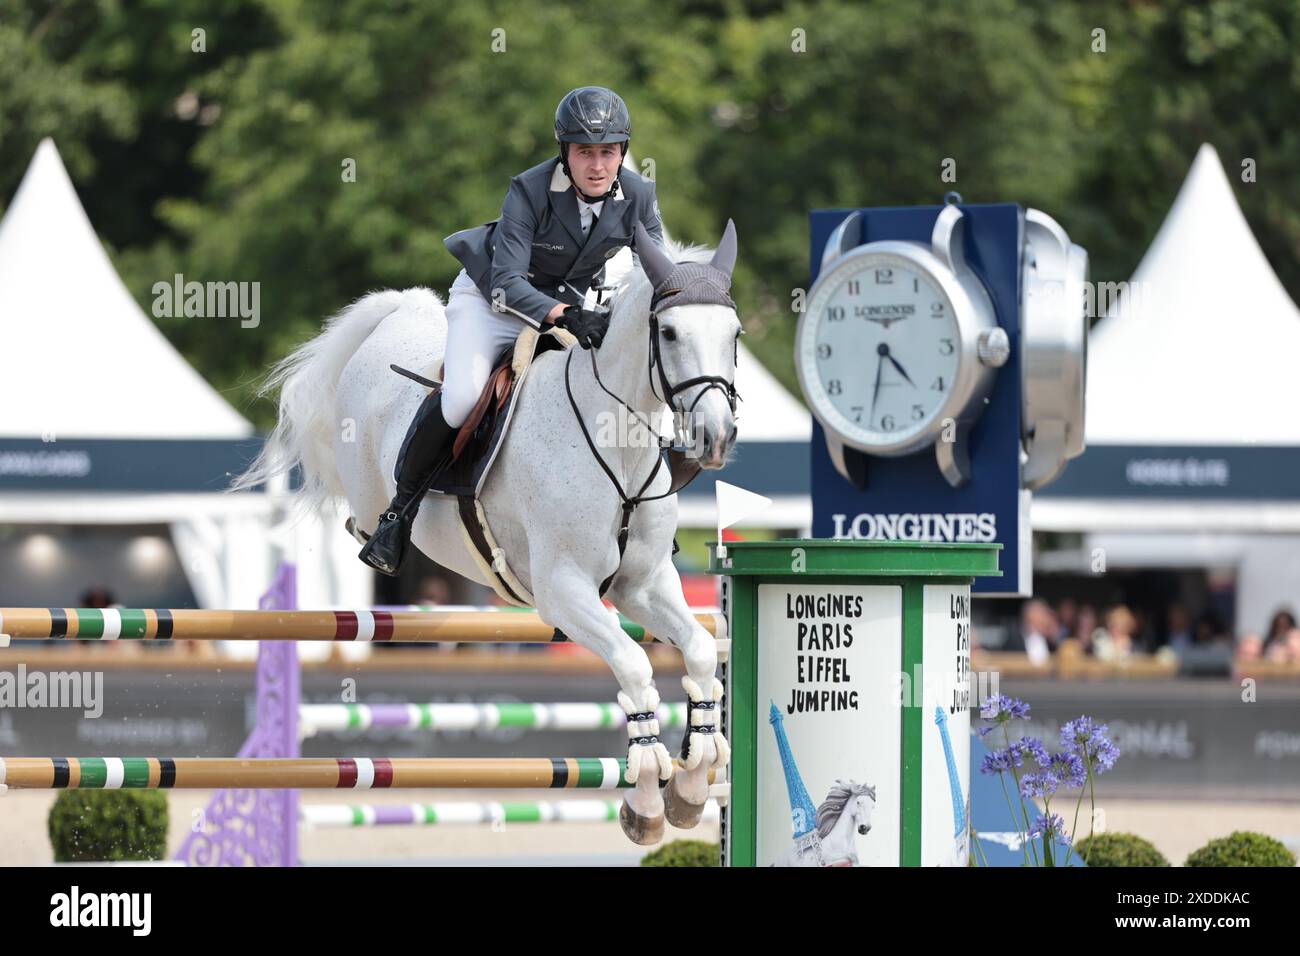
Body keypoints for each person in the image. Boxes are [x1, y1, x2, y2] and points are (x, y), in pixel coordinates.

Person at [359, 86, 665, 575]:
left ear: (622, 152)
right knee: (462, 398)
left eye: (608, 152)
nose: (598, 165)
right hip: (491, 302)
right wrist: (564, 315)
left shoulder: (640, 195)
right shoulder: (529, 189)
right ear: (565, 152)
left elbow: (657, 272)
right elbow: (506, 284)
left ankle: (647, 523)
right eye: (585, 152)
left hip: (569, 304)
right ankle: (398, 513)